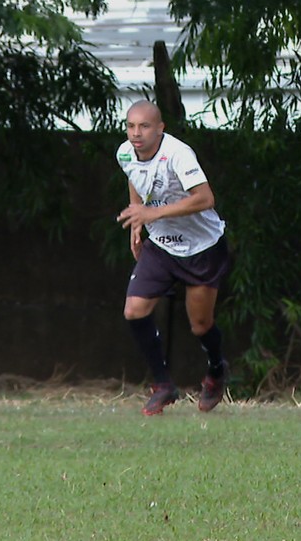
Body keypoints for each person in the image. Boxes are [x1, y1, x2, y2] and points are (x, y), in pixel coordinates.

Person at [115, 100, 231, 415]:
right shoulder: (125, 152)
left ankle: (217, 371)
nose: (136, 134)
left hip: (201, 247)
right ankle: (163, 384)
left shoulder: (178, 155)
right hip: (162, 245)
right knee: (134, 310)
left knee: (200, 324)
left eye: (144, 126)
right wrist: (138, 222)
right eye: (131, 126)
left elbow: (206, 198)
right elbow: (134, 179)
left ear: (160, 128)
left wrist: (152, 212)